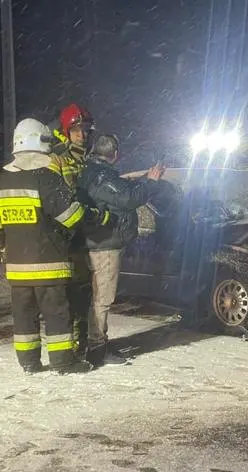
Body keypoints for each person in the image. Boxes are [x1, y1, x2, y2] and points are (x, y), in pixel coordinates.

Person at [0, 119, 106, 374]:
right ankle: (63, 362)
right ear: (40, 142)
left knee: (24, 316)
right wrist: (97, 216)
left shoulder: (2, 178)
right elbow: (70, 216)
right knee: (57, 314)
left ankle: (29, 362)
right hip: (48, 263)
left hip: (16, 267)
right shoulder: (45, 177)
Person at [76, 134, 165, 366]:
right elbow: (127, 198)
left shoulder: (92, 172)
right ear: (115, 154)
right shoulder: (101, 175)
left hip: (96, 242)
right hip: (104, 245)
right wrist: (150, 182)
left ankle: (88, 343)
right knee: (102, 299)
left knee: (95, 297)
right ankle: (97, 349)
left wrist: (142, 180)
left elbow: (120, 191)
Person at [47, 103, 96, 356]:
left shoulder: (91, 159)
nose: (82, 135)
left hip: (89, 236)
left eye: (85, 129)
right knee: (69, 295)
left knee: (85, 293)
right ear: (67, 131)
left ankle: (83, 343)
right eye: (77, 130)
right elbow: (54, 199)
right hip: (67, 238)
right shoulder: (57, 159)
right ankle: (72, 347)